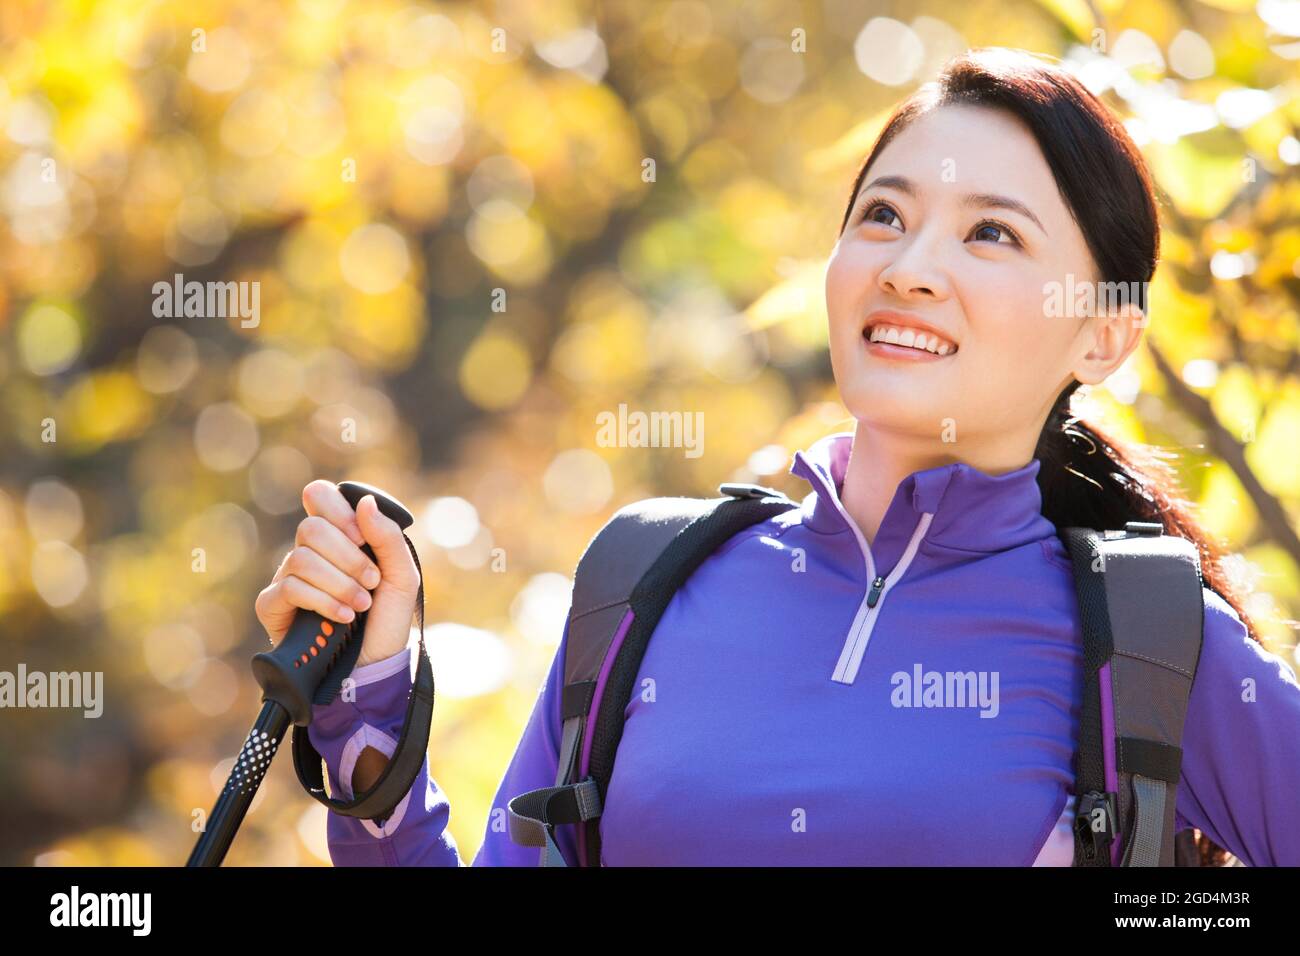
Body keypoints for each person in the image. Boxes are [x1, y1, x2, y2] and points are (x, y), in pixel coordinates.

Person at [254, 47, 1300, 866]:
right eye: (883, 215)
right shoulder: (647, 585)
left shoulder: (1151, 645)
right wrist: (368, 693)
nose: (910, 267)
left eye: (992, 234)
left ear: (1103, 335)